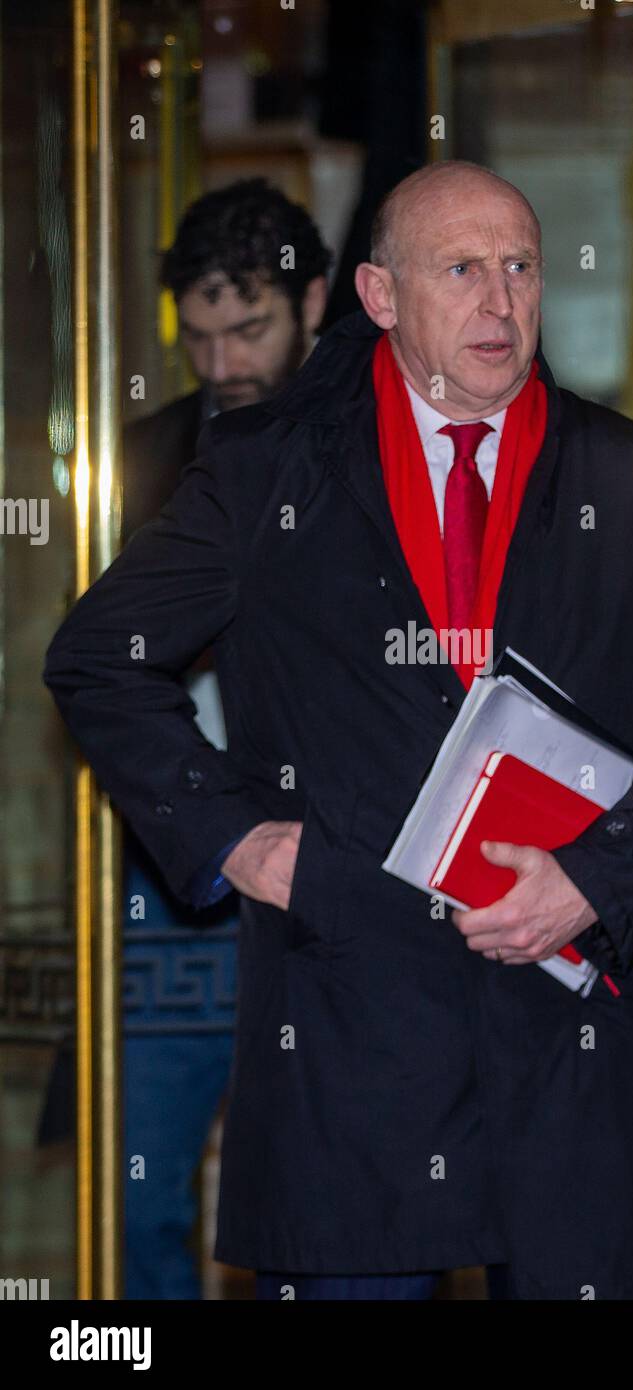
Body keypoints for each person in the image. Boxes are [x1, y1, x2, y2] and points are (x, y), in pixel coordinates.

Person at [45, 160, 633, 1301]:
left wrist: (595, 875)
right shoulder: (264, 471)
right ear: (381, 298)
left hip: (570, 1026)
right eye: (461, 270)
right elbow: (99, 658)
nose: (499, 301)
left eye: (519, 269)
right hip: (348, 1025)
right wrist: (237, 839)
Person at [120, 178, 330, 1299]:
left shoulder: (369, 447)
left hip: (333, 844)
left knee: (325, 1181)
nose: (221, 360)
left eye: (246, 326)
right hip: (174, 854)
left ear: (315, 303)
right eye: (197, 336)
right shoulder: (139, 455)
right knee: (137, 1187)